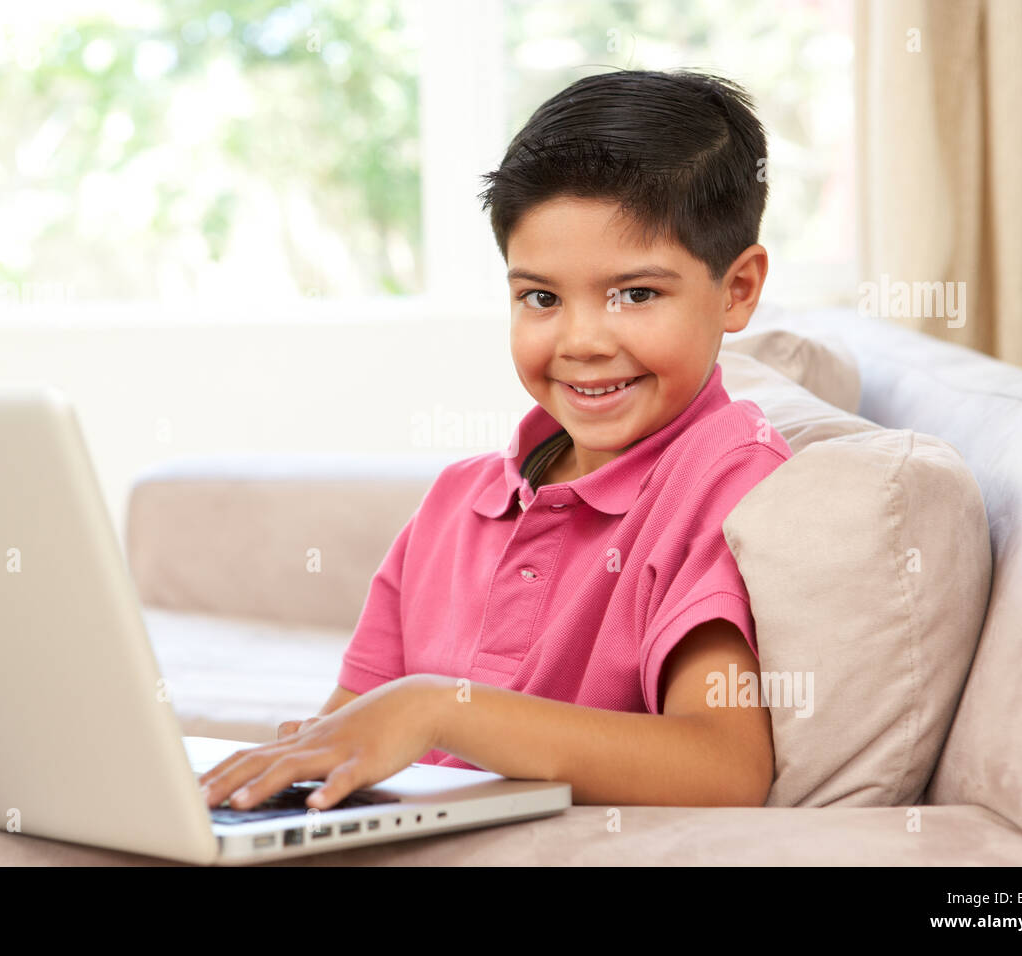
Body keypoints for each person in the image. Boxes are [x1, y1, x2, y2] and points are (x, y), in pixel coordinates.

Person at [201, 68, 793, 812]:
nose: (581, 340)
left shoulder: (727, 478)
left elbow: (723, 767)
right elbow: (349, 727)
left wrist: (441, 708)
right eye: (540, 297)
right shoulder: (457, 500)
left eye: (635, 294)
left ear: (737, 290)